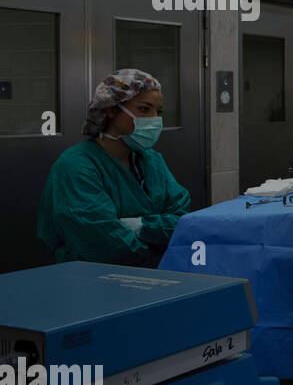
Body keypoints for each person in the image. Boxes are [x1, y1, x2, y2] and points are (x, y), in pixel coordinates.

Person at [38, 68, 190, 266]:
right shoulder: (77, 165)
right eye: (144, 109)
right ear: (110, 109)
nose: (155, 119)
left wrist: (141, 226)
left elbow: (184, 220)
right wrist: (163, 255)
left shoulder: (151, 160)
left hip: (159, 276)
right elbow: (103, 243)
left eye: (158, 111)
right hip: (92, 281)